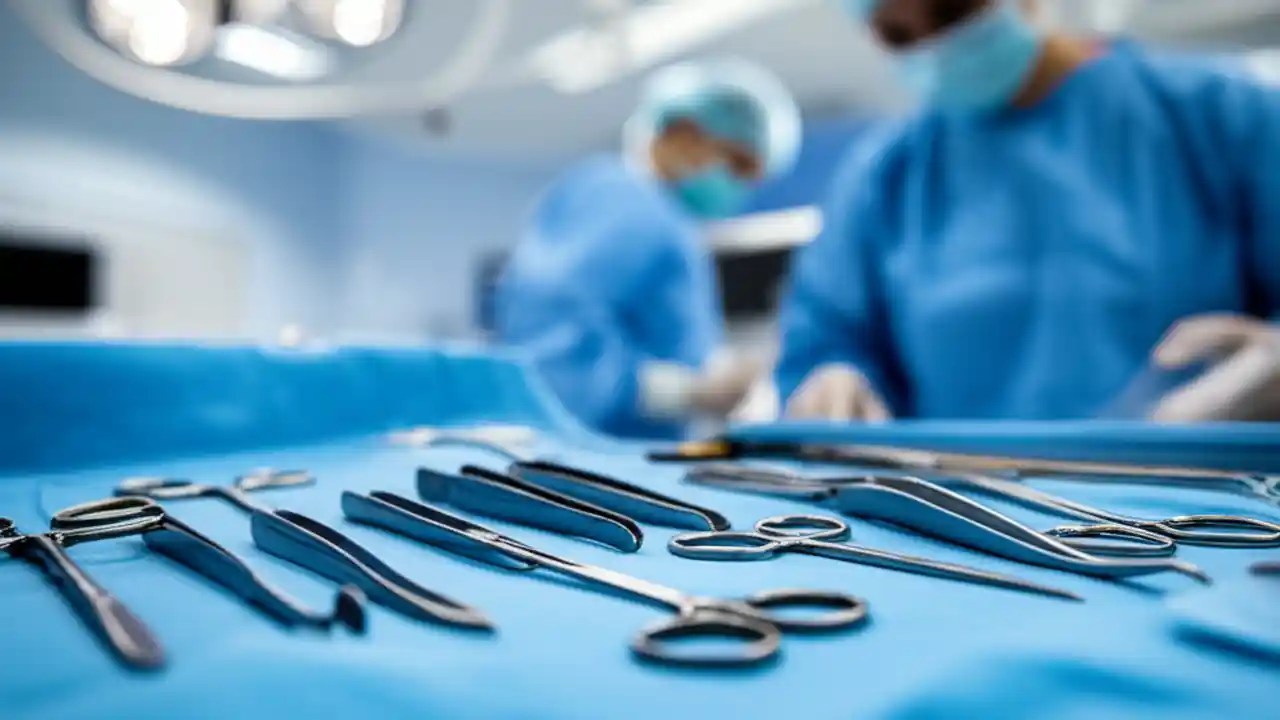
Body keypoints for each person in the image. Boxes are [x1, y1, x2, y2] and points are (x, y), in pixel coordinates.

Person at [779, 0, 1280, 423]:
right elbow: (826, 337)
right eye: (898, 34)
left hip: (1206, 506)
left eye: (952, 7)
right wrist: (831, 378)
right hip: (968, 517)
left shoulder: (1220, 114)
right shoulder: (884, 176)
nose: (935, 44)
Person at [496, 60, 802, 438]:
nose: (740, 187)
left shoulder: (665, 219)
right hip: (594, 464)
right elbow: (556, 343)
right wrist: (688, 392)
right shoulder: (624, 200)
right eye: (738, 164)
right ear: (685, 133)